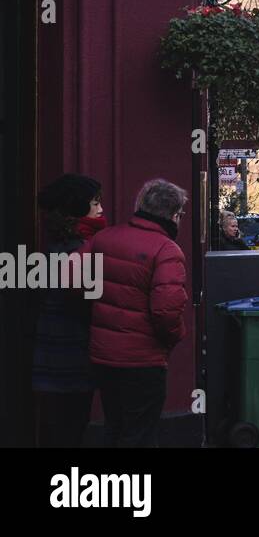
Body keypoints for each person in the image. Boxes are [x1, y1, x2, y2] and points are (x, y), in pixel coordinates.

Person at [81, 178, 189, 447]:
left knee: (113, 427)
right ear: (174, 215)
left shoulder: (103, 239)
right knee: (139, 434)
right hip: (143, 361)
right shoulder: (166, 250)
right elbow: (167, 311)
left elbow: (80, 287)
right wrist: (173, 338)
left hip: (104, 356)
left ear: (140, 205)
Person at [32, 174, 105, 448]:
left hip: (54, 349)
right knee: (72, 426)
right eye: (95, 203)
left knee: (57, 426)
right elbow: (86, 304)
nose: (100, 209)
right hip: (73, 351)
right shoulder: (79, 250)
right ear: (78, 207)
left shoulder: (57, 246)